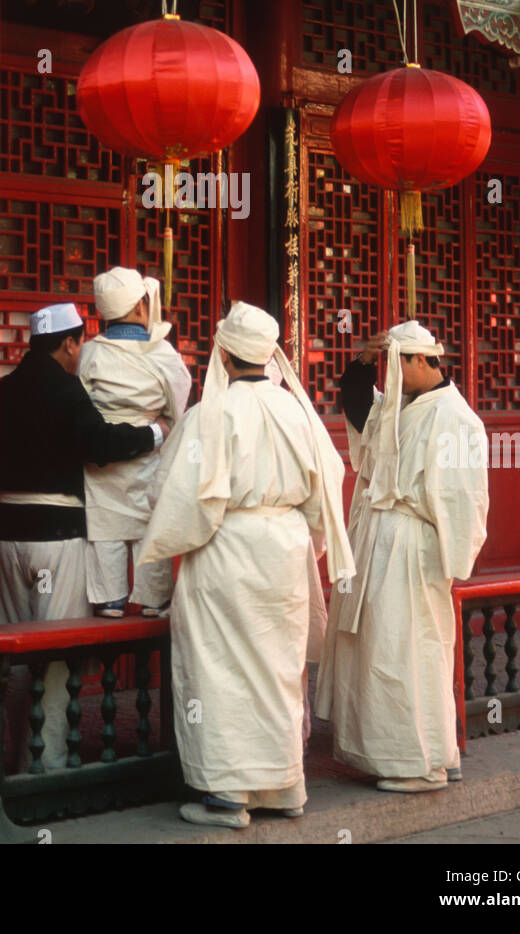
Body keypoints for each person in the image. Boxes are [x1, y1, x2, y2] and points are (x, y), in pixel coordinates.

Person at [138, 300, 355, 828]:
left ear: (224, 354)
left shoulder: (211, 414)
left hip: (225, 551)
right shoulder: (297, 412)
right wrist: (309, 539)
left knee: (220, 670)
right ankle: (283, 788)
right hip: (283, 550)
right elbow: (325, 484)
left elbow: (175, 494)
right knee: (279, 670)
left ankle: (228, 795)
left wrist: (164, 549)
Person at [315, 319, 489, 793]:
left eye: (394, 362)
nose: (386, 374)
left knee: (411, 651)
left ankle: (421, 763)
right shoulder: (399, 406)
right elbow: (356, 406)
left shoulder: (455, 418)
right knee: (382, 650)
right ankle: (425, 754)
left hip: (414, 547)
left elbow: (463, 498)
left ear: (418, 360)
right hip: (381, 540)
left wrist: (453, 561)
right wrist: (364, 356)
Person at [0, 301, 169, 772]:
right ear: (69, 343)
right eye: (79, 345)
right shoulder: (67, 391)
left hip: (4, 537)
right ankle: (48, 763)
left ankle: (6, 761)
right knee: (54, 655)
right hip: (57, 539)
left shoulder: (4, 389)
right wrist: (155, 432)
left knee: (9, 655)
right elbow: (100, 446)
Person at [78, 267, 192, 618]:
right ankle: (154, 598)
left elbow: (80, 406)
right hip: (150, 456)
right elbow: (180, 402)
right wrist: (162, 428)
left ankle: (110, 598)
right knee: (150, 530)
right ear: (141, 308)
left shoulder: (89, 353)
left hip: (101, 464)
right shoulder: (162, 353)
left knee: (106, 531)